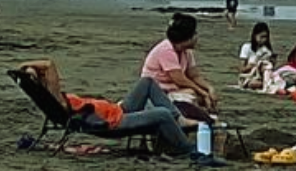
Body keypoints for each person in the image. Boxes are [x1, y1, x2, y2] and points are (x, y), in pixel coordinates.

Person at [16, 60, 204, 157]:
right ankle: (187, 148)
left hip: (115, 110)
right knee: (162, 114)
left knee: (146, 83)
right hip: (113, 122)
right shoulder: (56, 99)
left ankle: (178, 119)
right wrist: (26, 65)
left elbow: (45, 69)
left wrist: (27, 71)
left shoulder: (51, 101)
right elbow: (49, 64)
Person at [141, 13, 217, 119]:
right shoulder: (166, 50)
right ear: (188, 37)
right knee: (192, 94)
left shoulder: (186, 52)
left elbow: (194, 76)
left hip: (174, 89)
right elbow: (179, 79)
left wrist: (209, 89)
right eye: (195, 33)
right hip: (158, 92)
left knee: (200, 96)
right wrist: (203, 93)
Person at [238, 23, 276, 89]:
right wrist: (250, 66)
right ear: (255, 35)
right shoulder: (247, 47)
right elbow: (241, 69)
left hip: (263, 75)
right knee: (253, 84)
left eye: (266, 37)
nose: (264, 40)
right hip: (249, 76)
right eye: (262, 37)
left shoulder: (266, 50)